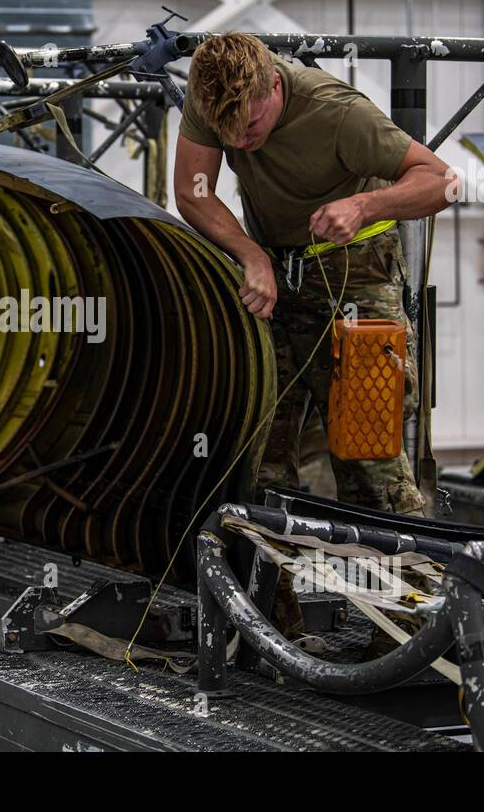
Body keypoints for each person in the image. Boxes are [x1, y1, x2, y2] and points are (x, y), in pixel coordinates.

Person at [173, 32, 455, 516]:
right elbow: (193, 192)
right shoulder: (212, 99)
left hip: (357, 278)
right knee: (255, 452)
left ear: (274, 88)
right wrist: (250, 254)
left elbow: (443, 183)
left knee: (368, 455)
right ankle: (259, 587)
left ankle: (405, 584)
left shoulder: (336, 111)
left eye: (251, 126)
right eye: (227, 133)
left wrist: (363, 205)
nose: (239, 142)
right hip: (274, 277)